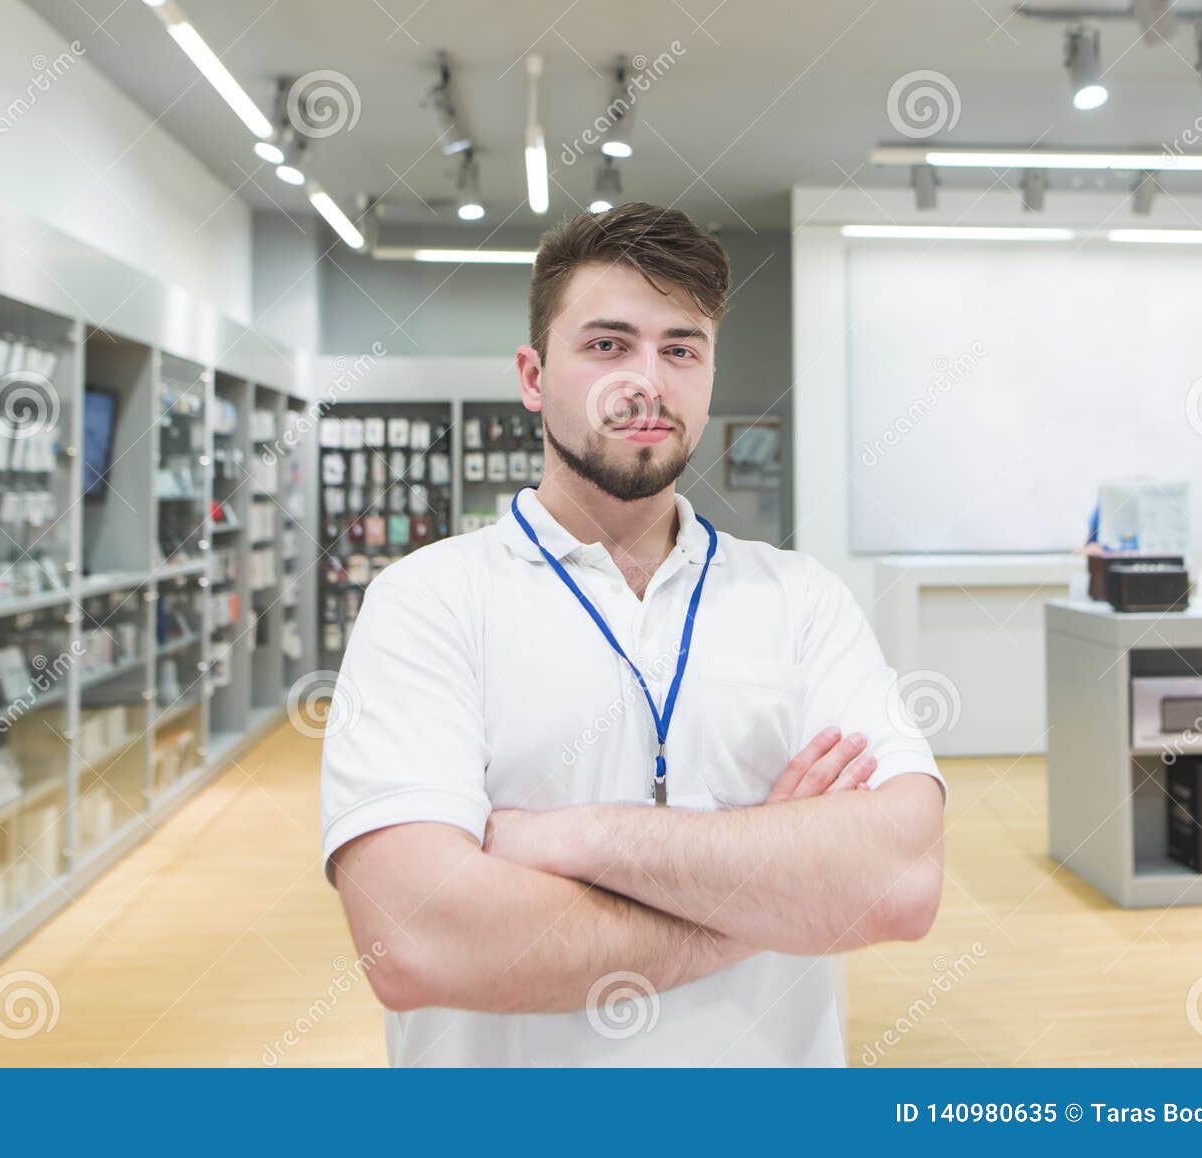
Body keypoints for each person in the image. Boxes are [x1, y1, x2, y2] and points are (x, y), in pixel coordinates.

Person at [320, 202, 947, 1066]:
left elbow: (901, 886)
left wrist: (571, 837)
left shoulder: (803, 599)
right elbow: (420, 944)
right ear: (534, 377)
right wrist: (771, 894)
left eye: (680, 349)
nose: (647, 381)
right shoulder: (426, 602)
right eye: (608, 345)